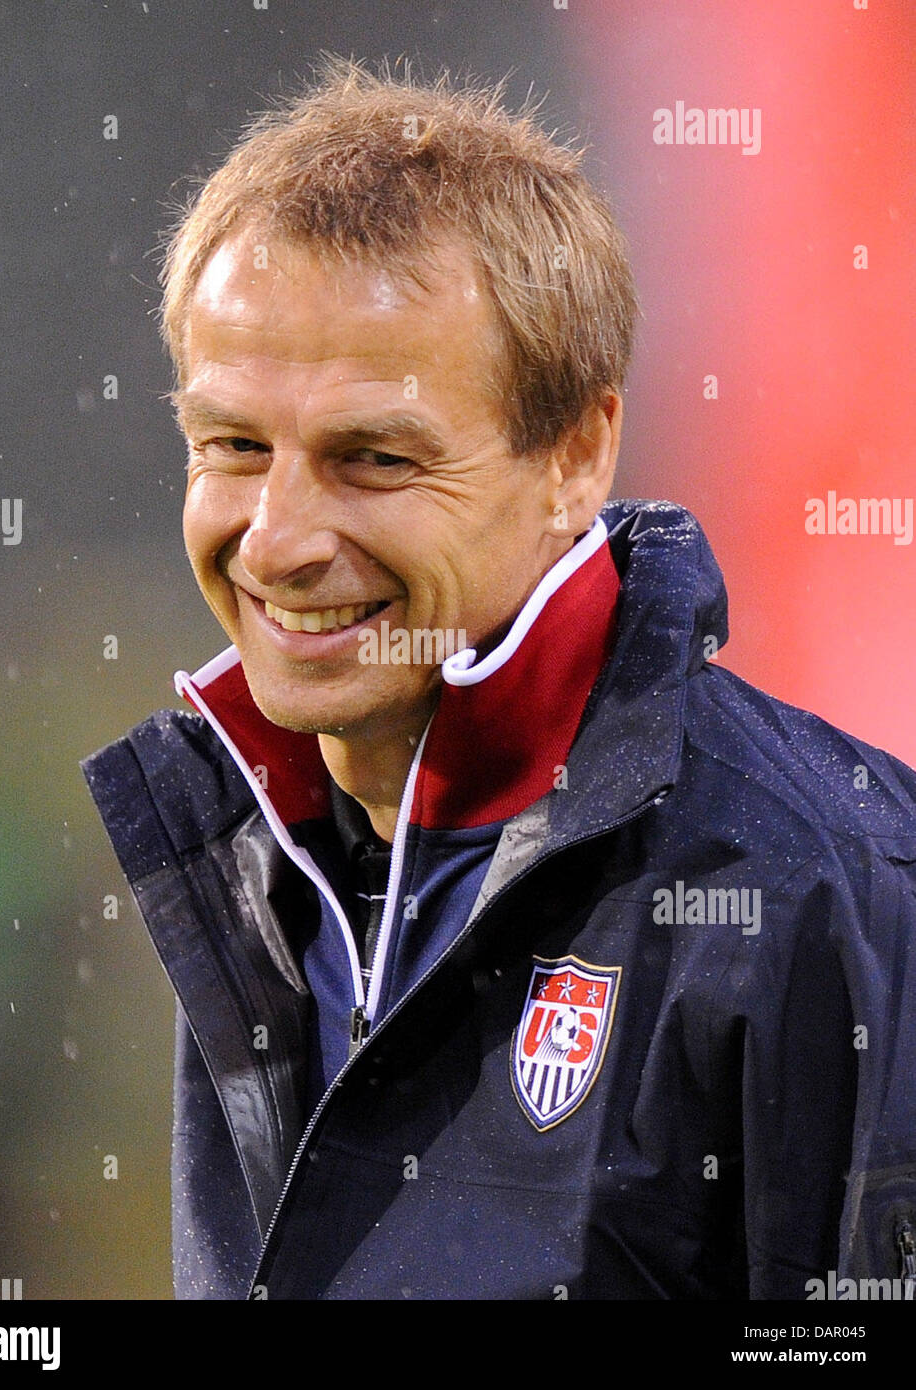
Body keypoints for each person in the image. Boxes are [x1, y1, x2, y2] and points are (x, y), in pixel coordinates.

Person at [81, 58, 916, 1300]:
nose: (276, 537)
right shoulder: (250, 852)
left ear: (576, 451)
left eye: (372, 458)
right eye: (234, 447)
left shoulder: (832, 890)